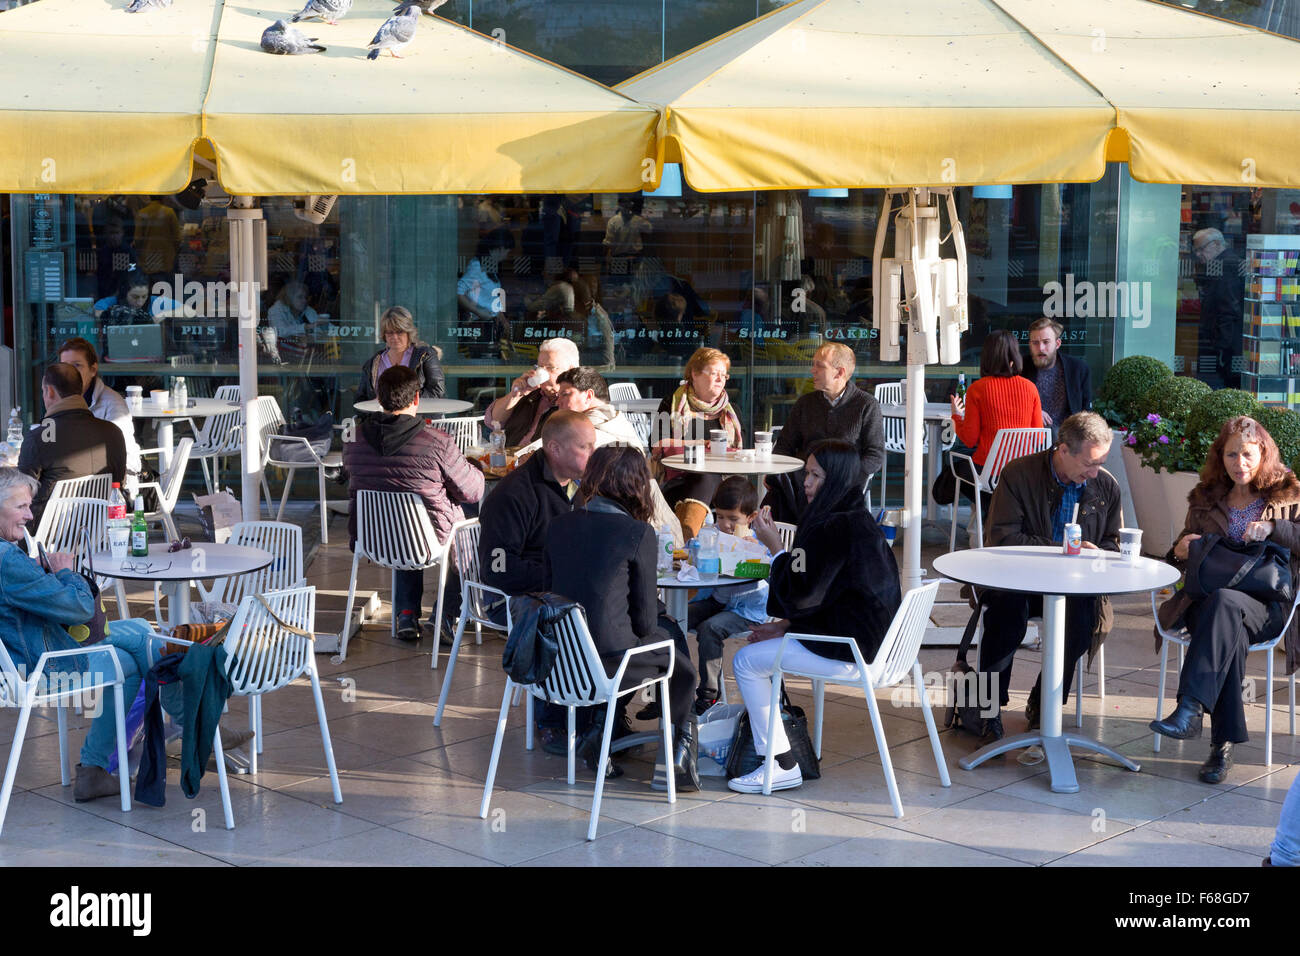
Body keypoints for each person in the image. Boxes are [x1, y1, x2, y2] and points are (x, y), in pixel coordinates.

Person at [0, 468, 244, 802]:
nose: (29, 516)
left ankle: (99, 768)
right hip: (41, 667)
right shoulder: (5, 560)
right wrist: (65, 572)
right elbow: (78, 609)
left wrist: (43, 577)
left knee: (141, 637)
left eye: (29, 506)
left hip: (23, 655)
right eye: (21, 507)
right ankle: (198, 726)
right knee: (139, 653)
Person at [726, 439, 901, 793]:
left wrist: (775, 547)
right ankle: (779, 759)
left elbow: (800, 594)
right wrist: (787, 627)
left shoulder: (830, 526)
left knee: (746, 662)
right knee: (759, 655)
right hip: (877, 646)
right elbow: (825, 594)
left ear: (835, 478)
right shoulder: (855, 518)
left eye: (815, 475)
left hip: (850, 650)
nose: (806, 483)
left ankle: (781, 764)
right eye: (806, 473)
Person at [1152, 416, 1300, 784]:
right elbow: (1181, 555)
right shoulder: (1206, 498)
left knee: (1226, 608)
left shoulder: (1287, 494)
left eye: (1247, 454)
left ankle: (1191, 710)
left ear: (1263, 452)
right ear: (1221, 457)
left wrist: (1274, 527)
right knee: (1223, 611)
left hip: (1267, 606)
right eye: (1231, 455)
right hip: (1206, 604)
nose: (1240, 464)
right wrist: (1178, 549)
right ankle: (1220, 744)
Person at [544, 446, 701, 788]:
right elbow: (644, 623)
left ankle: (601, 731)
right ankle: (680, 749)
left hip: (562, 661)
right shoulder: (638, 533)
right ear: (637, 486)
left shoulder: (559, 525)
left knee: (664, 636)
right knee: (677, 654)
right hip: (609, 663)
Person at [976, 411, 1121, 741]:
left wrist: (1101, 553)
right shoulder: (1018, 474)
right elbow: (1002, 538)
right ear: (1063, 450)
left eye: (1100, 462)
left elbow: (1112, 540)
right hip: (1015, 579)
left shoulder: (1104, 485)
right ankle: (987, 709)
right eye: (1089, 463)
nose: (1095, 472)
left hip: (1075, 584)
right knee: (1004, 618)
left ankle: (1044, 705)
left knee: (1082, 623)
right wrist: (1063, 549)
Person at [479, 410, 596, 752]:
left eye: (593, 445)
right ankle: (550, 721)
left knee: (610, 609)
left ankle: (598, 715)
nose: (593, 454)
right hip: (508, 598)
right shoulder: (515, 495)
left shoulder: (579, 485)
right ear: (554, 449)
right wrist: (562, 576)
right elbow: (498, 570)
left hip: (560, 587)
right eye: (585, 447)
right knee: (560, 619)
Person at [344, 366, 484, 643]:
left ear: (378, 399)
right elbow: (473, 491)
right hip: (428, 539)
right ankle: (445, 614)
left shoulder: (354, 441)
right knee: (470, 520)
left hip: (374, 538)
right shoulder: (437, 442)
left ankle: (406, 613)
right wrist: (474, 468)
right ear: (417, 399)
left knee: (400, 519)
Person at [764, 342, 884, 523]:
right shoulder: (805, 403)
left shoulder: (866, 405)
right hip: (803, 478)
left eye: (819, 366)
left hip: (843, 482)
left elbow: (875, 455)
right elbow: (785, 445)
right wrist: (776, 470)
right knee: (776, 491)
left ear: (840, 372)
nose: (812, 371)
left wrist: (844, 478)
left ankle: (803, 541)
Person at [686, 477, 772, 714]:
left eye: (733, 519)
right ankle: (671, 689)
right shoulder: (712, 534)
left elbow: (769, 570)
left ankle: (709, 694)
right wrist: (698, 548)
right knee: (676, 618)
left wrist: (749, 550)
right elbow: (693, 556)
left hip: (747, 610)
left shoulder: (758, 542)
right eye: (720, 516)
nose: (725, 524)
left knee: (710, 629)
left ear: (750, 518)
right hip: (716, 600)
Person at [18, 364, 126, 531]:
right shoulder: (113, 433)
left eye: (43, 391)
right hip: (100, 536)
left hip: (47, 538)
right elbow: (118, 484)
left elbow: (21, 494)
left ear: (50, 392)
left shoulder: (39, 437)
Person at [653, 346, 744, 507]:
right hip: (680, 479)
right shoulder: (672, 404)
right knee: (706, 477)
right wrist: (700, 444)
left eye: (724, 375)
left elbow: (741, 454)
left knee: (738, 490)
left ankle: (690, 530)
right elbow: (657, 444)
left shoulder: (732, 412)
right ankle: (690, 530)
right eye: (715, 373)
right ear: (695, 373)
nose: (720, 379)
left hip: (725, 481)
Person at [56, 338, 142, 495]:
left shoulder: (113, 403)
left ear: (93, 369)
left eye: (77, 365)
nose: (70, 372)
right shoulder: (58, 399)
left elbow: (121, 455)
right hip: (76, 475)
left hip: (111, 484)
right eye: (65, 366)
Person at [951, 329, 1043, 470]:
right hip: (1024, 472)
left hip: (988, 471)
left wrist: (956, 416)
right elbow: (1039, 438)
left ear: (986, 357)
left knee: (948, 474)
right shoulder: (1030, 388)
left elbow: (970, 440)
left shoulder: (977, 389)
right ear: (1015, 356)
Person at [514, 366, 642, 455]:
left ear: (588, 396)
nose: (558, 402)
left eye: (565, 394)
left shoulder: (588, 433)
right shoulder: (616, 421)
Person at [484, 337, 580, 447]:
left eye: (550, 367)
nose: (541, 372)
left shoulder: (574, 403)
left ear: (571, 370)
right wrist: (514, 396)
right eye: (539, 366)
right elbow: (492, 421)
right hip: (510, 459)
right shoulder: (530, 393)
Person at [357, 306, 445, 403]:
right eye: (390, 332)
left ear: (408, 332)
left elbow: (437, 391)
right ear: (384, 335)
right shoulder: (372, 364)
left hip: (418, 416)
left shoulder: (425, 355)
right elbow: (360, 400)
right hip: (382, 417)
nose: (394, 337)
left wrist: (404, 405)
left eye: (399, 332)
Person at [1022, 317, 1093, 436]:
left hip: (1068, 438)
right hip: (1030, 436)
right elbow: (1009, 404)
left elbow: (1086, 411)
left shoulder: (1078, 369)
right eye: (1035, 343)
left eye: (1046, 342)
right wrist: (1033, 411)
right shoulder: (1021, 367)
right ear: (1030, 344)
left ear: (1057, 343)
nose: (1041, 348)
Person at [1192, 228, 1244, 390]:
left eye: (1202, 249)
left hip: (1222, 348)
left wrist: (1221, 347)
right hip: (1222, 344)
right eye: (1196, 251)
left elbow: (1228, 309)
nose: (1199, 255)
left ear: (1216, 244)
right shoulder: (1222, 263)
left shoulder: (1226, 265)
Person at [92, 269, 180, 323]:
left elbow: (189, 310)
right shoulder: (109, 302)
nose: (140, 302)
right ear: (124, 293)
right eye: (135, 297)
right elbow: (95, 313)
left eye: (144, 296)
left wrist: (164, 314)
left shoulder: (155, 302)